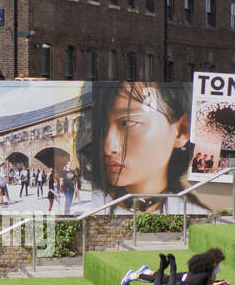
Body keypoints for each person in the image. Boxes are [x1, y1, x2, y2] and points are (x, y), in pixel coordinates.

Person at [76, 80, 203, 215]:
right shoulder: (81, 208)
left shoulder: (195, 216)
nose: (108, 147)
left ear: (181, 131)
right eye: (100, 125)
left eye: (128, 123)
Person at [129, 247, 234, 285]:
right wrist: (219, 283)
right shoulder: (210, 273)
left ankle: (159, 267)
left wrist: (218, 283)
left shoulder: (197, 268)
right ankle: (171, 265)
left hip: (181, 283)